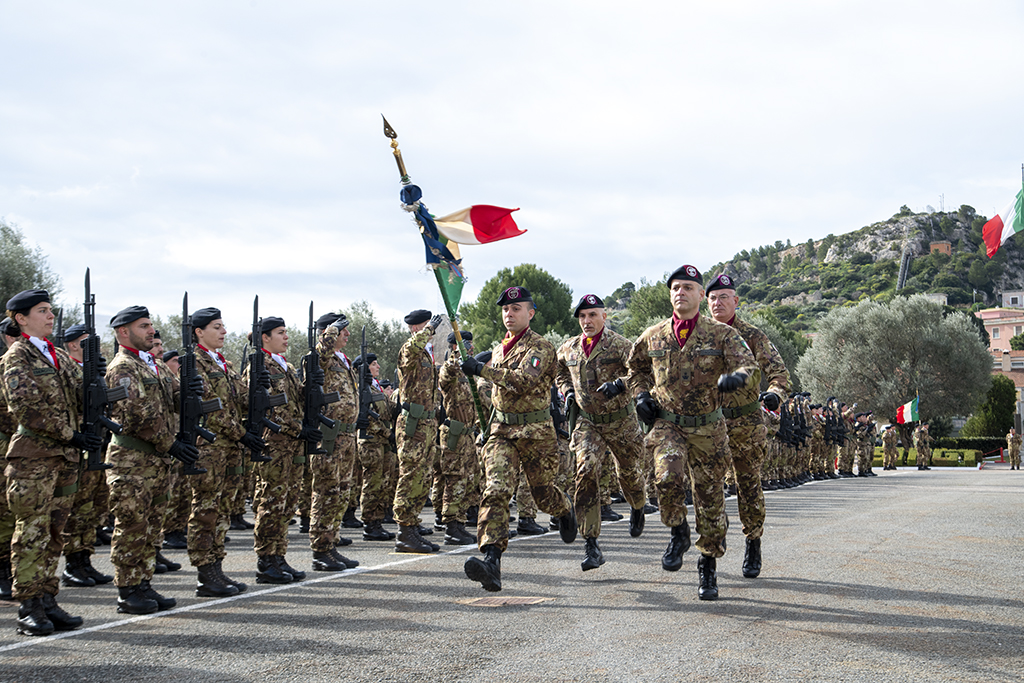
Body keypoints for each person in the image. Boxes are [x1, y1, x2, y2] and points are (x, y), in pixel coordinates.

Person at [626, 266, 757, 601]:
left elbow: (749, 365)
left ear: (700, 295)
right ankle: (678, 530)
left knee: (710, 499)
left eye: (687, 287)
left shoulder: (722, 334)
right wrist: (640, 395)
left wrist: (737, 378)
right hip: (668, 424)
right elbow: (635, 368)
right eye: (675, 288)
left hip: (708, 428)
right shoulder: (653, 335)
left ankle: (707, 565)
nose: (680, 293)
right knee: (666, 479)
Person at [459, 286, 577, 592]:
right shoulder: (499, 349)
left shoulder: (542, 347)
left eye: (516, 309)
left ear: (530, 313)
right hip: (502, 431)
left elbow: (524, 381)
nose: (509, 314)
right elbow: (496, 393)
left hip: (536, 432)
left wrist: (481, 370)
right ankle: (491, 560)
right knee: (496, 489)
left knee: (543, 494)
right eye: (505, 310)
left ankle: (564, 508)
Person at [2, 289, 94, 636]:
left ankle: (47, 598)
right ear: (21, 319)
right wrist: (71, 434)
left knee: (56, 531)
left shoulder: (57, 355)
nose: (50, 315)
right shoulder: (17, 356)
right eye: (42, 310)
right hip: (33, 458)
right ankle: (28, 606)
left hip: (64, 458)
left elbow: (80, 398)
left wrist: (94, 379)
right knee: (32, 531)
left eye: (50, 310)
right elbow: (26, 408)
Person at [104, 305, 201, 614]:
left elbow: (173, 400)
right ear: (123, 332)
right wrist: (171, 444)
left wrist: (189, 393)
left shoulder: (153, 365)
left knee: (152, 526)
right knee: (132, 525)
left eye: (150, 325)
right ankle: (128, 589)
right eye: (143, 326)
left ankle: (144, 582)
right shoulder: (123, 367)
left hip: (156, 460)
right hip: (131, 460)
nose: (151, 331)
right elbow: (136, 415)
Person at [705, 274, 789, 579]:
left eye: (724, 297)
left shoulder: (753, 336)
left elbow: (778, 372)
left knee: (748, 484)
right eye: (713, 298)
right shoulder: (699, 337)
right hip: (708, 423)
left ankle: (753, 540)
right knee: (707, 484)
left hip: (745, 423)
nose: (718, 303)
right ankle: (712, 540)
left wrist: (775, 394)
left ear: (736, 301)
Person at [556, 294, 648, 572]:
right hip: (588, 422)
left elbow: (641, 372)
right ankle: (591, 544)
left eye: (593, 315)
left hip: (621, 421)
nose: (587, 321)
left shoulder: (620, 345)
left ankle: (638, 504)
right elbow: (559, 371)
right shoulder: (569, 348)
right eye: (582, 316)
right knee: (586, 472)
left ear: (604, 317)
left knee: (629, 474)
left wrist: (620, 384)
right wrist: (567, 391)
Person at [189, 307, 262, 597]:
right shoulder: (194, 363)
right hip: (209, 447)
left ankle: (216, 567)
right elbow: (212, 410)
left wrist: (257, 390)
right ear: (199, 332)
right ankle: (205, 572)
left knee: (221, 509)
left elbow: (240, 399)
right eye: (217, 327)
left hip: (229, 448)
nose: (224, 331)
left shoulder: (221, 363)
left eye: (223, 326)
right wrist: (243, 434)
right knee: (206, 510)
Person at [58, 323, 115, 590]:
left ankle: (85, 559)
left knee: (93, 508)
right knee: (77, 510)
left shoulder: (93, 371)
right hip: (78, 447)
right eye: (85, 342)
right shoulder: (68, 369)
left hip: (98, 445)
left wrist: (100, 379)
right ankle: (72, 565)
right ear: (72, 345)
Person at [307, 312, 361, 570]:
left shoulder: (341, 359)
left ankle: (331, 544)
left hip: (346, 435)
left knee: (341, 492)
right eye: (342, 330)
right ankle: (320, 550)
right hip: (329, 435)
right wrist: (330, 331)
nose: (347, 334)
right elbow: (318, 355)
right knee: (327, 491)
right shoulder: (321, 356)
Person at [392, 310, 443, 554]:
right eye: (425, 325)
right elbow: (412, 347)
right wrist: (429, 330)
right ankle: (404, 532)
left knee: (423, 478)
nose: (431, 330)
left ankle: (412, 527)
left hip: (427, 423)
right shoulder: (409, 349)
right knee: (410, 475)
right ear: (415, 329)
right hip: (412, 423)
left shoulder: (426, 354)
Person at [436, 331, 479, 546]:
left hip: (468, 434)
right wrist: (457, 358)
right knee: (455, 480)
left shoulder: (467, 374)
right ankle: (451, 527)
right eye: (466, 344)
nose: (471, 348)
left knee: (469, 480)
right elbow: (445, 374)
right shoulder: (449, 369)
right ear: (456, 347)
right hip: (454, 433)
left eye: (471, 344)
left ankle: (460, 523)